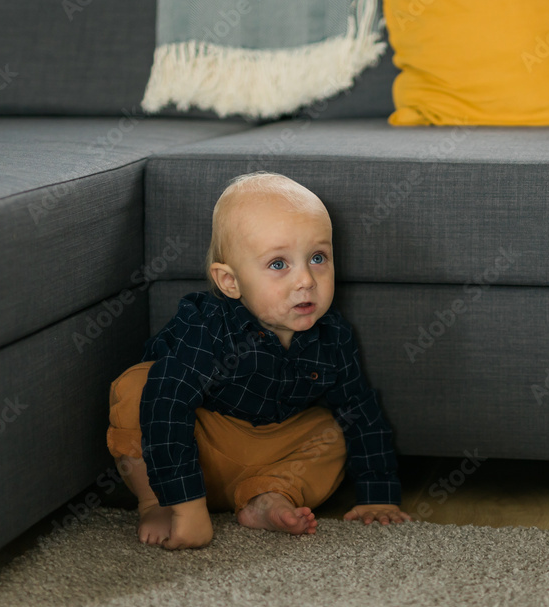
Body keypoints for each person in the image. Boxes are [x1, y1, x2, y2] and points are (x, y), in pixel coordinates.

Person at [106, 171, 411, 549]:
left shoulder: (333, 335)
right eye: (278, 264)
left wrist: (377, 493)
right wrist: (187, 508)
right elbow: (168, 406)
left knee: (333, 429)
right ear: (229, 282)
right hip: (197, 446)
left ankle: (265, 498)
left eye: (318, 258)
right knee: (139, 387)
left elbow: (360, 410)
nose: (306, 280)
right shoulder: (206, 326)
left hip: (273, 450)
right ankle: (157, 502)